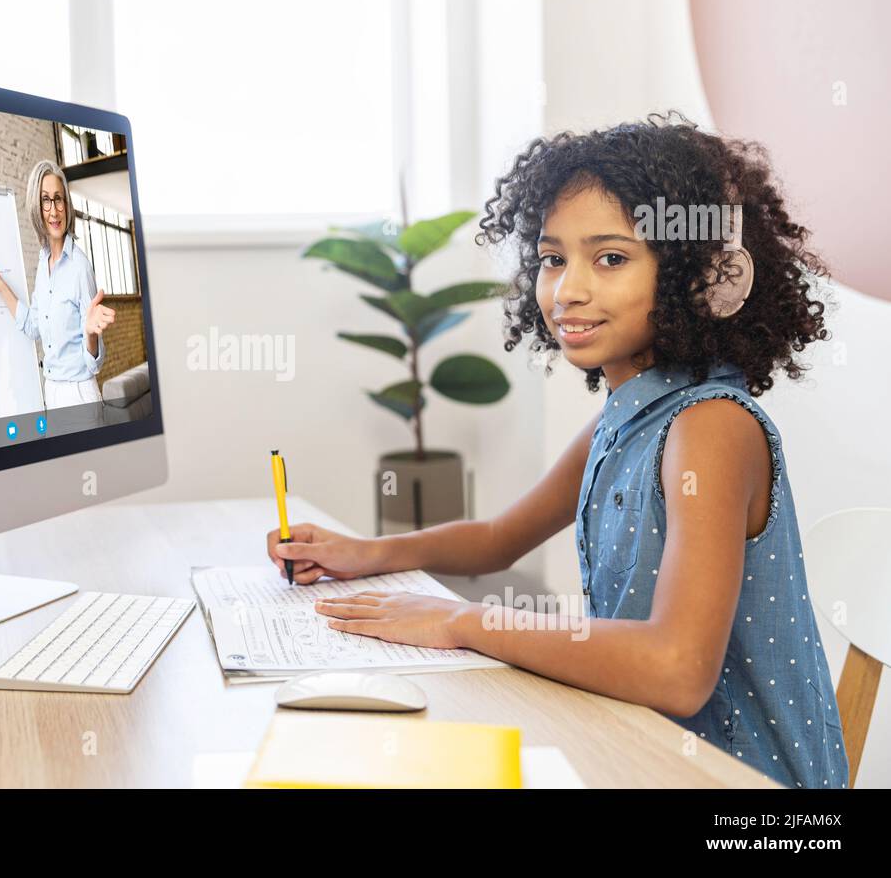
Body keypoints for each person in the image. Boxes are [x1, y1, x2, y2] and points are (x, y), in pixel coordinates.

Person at [269, 113, 847, 789]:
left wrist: (462, 620)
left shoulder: (710, 428)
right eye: (552, 259)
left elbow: (677, 669)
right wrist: (367, 553)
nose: (566, 289)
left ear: (701, 276)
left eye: (610, 258)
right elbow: (495, 538)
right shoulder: (629, 417)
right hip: (641, 751)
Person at [0, 159, 114, 411]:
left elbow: (94, 363)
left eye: (58, 199)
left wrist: (91, 332)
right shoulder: (43, 265)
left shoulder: (79, 267)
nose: (54, 210)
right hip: (51, 392)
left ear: (66, 204)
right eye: (45, 200)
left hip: (79, 394)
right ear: (37, 207)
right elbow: (33, 326)